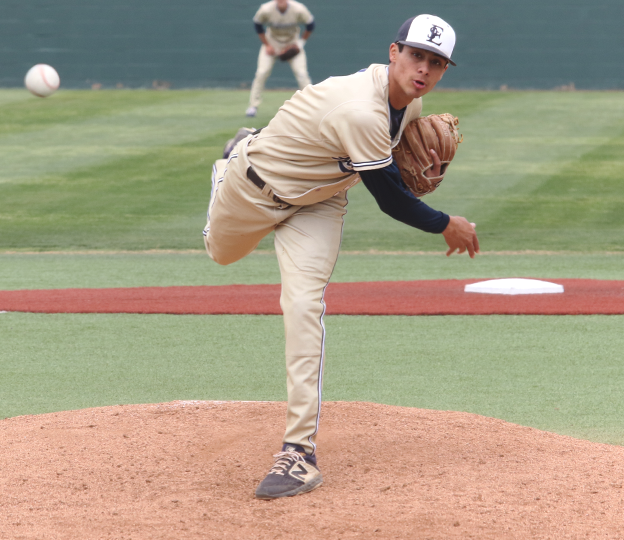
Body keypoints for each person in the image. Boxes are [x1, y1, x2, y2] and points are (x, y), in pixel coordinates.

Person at [204, 14, 479, 500]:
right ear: (394, 53)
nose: (424, 69)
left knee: (304, 306)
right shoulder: (360, 110)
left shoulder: (410, 108)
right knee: (221, 254)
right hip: (253, 189)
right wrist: (446, 223)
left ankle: (297, 454)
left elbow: (392, 168)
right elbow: (393, 201)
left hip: (321, 201)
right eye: (416, 55)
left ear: (442, 73)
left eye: (436, 63)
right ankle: (229, 159)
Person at [245, 0, 315, 118]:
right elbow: (257, 25)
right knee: (262, 72)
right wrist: (267, 45)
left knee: (302, 73)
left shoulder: (298, 9)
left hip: (292, 44)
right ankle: (253, 106)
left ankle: (313, 106)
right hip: (272, 43)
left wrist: (300, 43)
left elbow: (310, 24)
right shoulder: (266, 9)